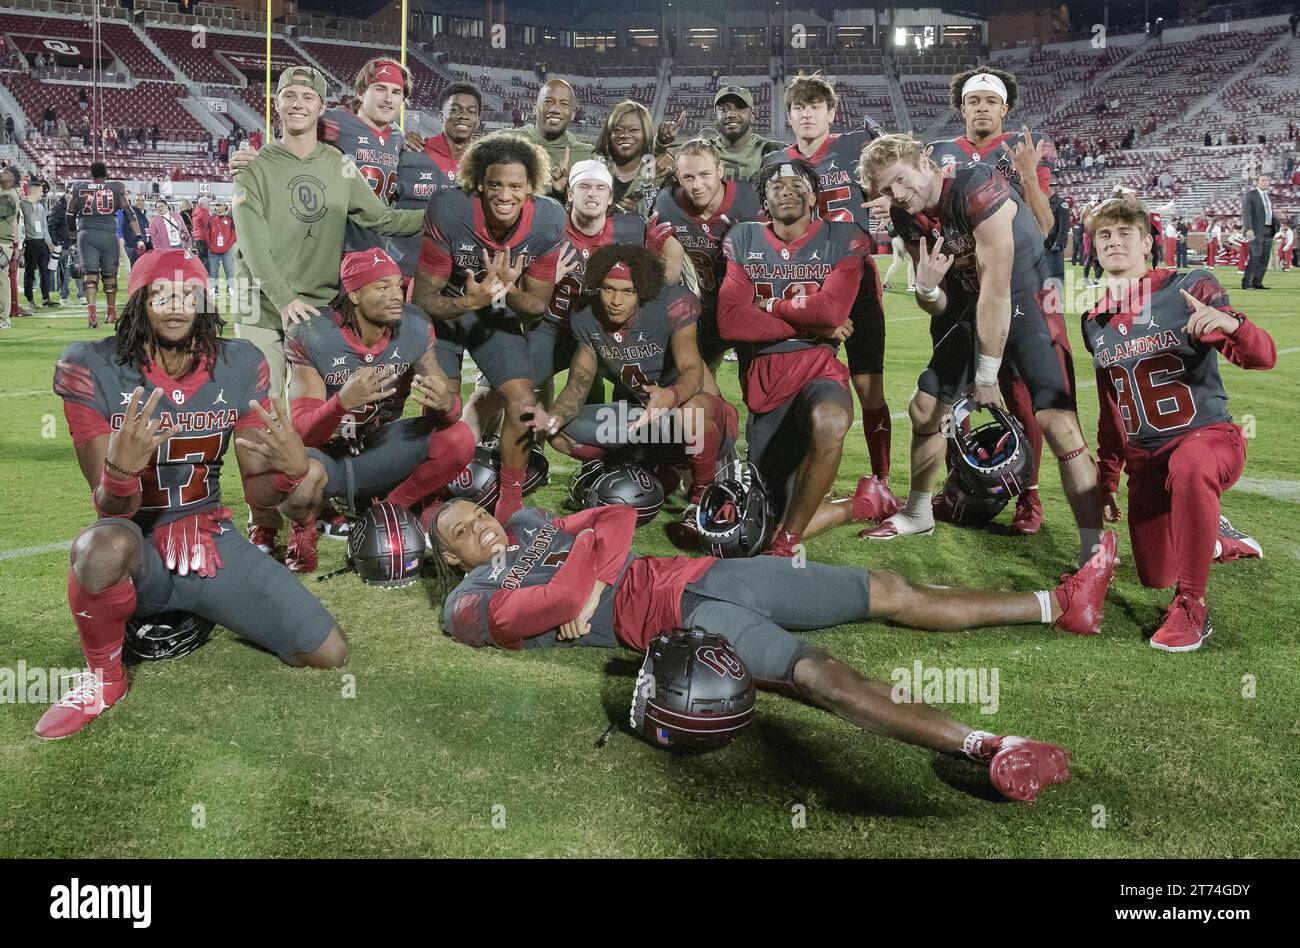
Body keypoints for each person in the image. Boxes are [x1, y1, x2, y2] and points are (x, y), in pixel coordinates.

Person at [428, 498, 1118, 801]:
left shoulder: (526, 524)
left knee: (887, 586)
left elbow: (616, 515)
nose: (482, 528)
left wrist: (588, 571)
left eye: (478, 513)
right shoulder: (467, 606)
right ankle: (988, 745)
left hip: (710, 574)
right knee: (819, 677)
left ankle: (1061, 606)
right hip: (684, 625)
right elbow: (551, 601)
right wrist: (585, 569)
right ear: (451, 560)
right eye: (461, 532)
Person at [42, 249, 350, 739]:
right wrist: (122, 471)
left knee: (327, 651)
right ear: (139, 301)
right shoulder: (92, 365)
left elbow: (259, 493)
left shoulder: (239, 364)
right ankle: (103, 677)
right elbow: (110, 507)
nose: (176, 306)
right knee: (99, 548)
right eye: (160, 294)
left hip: (209, 538)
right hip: (137, 542)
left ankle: (203, 603)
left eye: (190, 294)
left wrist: (292, 473)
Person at [859, 134, 1105, 571]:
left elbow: (997, 288)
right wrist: (928, 286)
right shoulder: (907, 214)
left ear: (923, 161)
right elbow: (937, 303)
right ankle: (918, 512)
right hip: (972, 309)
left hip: (1026, 300)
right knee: (924, 409)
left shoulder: (976, 186)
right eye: (883, 190)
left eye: (898, 180)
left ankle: (1094, 547)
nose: (894, 194)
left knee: (1058, 421)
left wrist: (987, 376)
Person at [230, 65, 424, 555]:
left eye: (306, 96)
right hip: (262, 309)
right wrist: (282, 297)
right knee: (256, 424)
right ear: (277, 104)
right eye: (288, 95)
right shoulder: (255, 167)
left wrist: (452, 212)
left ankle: (302, 514)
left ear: (321, 107)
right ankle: (264, 523)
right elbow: (251, 245)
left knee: (306, 419)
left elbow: (381, 217)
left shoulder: (339, 165)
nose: (297, 103)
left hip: (314, 309)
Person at [1082, 191, 1275, 652]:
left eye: (1125, 233)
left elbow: (1261, 357)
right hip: (1148, 461)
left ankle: (1192, 606)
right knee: (1154, 575)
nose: (1113, 242)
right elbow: (1113, 412)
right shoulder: (1095, 321)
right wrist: (1106, 478)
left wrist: (1233, 327)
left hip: (1208, 439)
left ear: (1148, 242)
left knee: (1191, 466)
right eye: (1104, 235)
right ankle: (1215, 536)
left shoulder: (1189, 287)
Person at [718, 160, 899, 555]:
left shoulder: (843, 236)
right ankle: (864, 504)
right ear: (763, 198)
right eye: (776, 185)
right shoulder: (743, 239)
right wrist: (808, 323)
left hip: (818, 371)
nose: (786, 189)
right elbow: (730, 321)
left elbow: (833, 313)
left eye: (797, 183)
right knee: (760, 525)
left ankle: (788, 542)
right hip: (765, 385)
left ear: (815, 195)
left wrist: (767, 307)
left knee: (831, 421)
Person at [281, 249, 473, 572]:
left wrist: (448, 404)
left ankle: (387, 510)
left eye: (398, 285)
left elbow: (450, 411)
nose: (395, 295)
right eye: (381, 287)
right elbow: (301, 432)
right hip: (324, 455)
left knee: (460, 439)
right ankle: (304, 526)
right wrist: (342, 402)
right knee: (292, 471)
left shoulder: (414, 327)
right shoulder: (313, 333)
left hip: (377, 444)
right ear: (354, 293)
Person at [411, 131, 565, 524]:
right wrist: (470, 300)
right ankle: (431, 492)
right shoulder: (450, 208)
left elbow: (537, 305)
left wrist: (507, 290)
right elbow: (423, 300)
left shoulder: (548, 219)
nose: (504, 195)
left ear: (531, 186)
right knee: (441, 406)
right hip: (446, 309)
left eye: (516, 186)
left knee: (523, 403)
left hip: (494, 309)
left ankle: (510, 500)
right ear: (479, 182)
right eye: (495, 184)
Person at [523, 244, 733, 528]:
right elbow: (577, 387)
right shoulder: (586, 314)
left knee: (690, 412)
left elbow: (692, 370)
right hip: (646, 420)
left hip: (700, 420)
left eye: (628, 291)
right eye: (608, 289)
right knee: (560, 433)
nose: (616, 300)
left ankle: (702, 497)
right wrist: (552, 418)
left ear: (643, 291)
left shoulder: (672, 304)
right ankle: (628, 470)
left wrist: (669, 395)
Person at [761, 74, 892, 490]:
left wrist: (893, 197)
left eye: (815, 106)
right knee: (799, 380)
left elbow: (908, 169)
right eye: (799, 108)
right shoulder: (774, 162)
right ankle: (795, 472)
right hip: (803, 281)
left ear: (831, 112)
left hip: (855, 276)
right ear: (789, 116)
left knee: (868, 383)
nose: (807, 114)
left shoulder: (855, 145)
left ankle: (881, 478)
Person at [653, 139, 761, 368]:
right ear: (678, 178)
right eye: (688, 177)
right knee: (697, 379)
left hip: (749, 306)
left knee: (756, 386)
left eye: (705, 174)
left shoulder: (750, 199)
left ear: (720, 171)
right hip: (707, 308)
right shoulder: (668, 204)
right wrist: (653, 257)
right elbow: (671, 273)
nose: (697, 185)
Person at [388, 82, 483, 282]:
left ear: (478, 119)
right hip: (406, 273)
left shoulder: (486, 165)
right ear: (441, 116)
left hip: (459, 279)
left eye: (470, 111)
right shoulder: (411, 153)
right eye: (454, 109)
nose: (463, 115)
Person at [67, 161, 145, 329]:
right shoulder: (115, 188)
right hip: (109, 235)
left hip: (87, 235)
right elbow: (129, 213)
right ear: (106, 174)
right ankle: (111, 313)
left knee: (90, 274)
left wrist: (73, 240)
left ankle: (92, 314)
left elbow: (69, 215)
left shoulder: (79, 188)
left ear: (91, 174)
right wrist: (139, 235)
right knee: (110, 275)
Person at [656, 85, 784, 184]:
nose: (731, 114)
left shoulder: (774, 150)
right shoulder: (699, 149)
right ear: (715, 118)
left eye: (739, 108)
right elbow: (648, 164)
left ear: (753, 116)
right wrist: (661, 144)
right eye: (724, 109)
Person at [515, 78, 596, 201]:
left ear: (573, 114)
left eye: (564, 104)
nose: (555, 109)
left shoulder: (587, 157)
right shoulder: (506, 141)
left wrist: (562, 194)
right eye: (548, 102)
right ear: (534, 108)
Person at [594, 99, 670, 218]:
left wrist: (638, 217)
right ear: (609, 134)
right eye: (617, 130)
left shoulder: (658, 173)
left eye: (634, 130)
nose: (624, 135)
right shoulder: (595, 167)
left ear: (646, 134)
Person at [20, 180, 57, 308]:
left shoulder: (40, 207)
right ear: (34, 191)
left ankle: (46, 298)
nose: (42, 193)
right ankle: (30, 300)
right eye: (41, 191)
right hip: (30, 242)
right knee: (30, 272)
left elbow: (44, 226)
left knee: (44, 271)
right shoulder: (22, 205)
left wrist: (49, 242)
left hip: (41, 243)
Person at [1241, 174, 1275, 290]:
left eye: (1267, 180)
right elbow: (1246, 213)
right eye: (1263, 180)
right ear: (1257, 182)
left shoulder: (1268, 197)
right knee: (1255, 256)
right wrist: (1248, 229)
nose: (1266, 182)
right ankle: (1247, 283)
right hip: (1255, 230)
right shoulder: (1250, 195)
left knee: (1264, 259)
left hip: (1268, 230)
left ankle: (1257, 282)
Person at [0, 167, 20, 328]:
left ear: (12, 179)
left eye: (5, 172)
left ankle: (3, 318)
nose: (2, 173)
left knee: (2, 281)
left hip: (2, 242)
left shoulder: (10, 196)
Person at [205, 198, 236, 297]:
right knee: (213, 271)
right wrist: (210, 246)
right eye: (216, 205)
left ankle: (230, 289)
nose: (217, 207)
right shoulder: (211, 220)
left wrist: (227, 246)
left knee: (229, 270)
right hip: (213, 250)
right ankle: (214, 290)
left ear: (224, 206)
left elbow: (234, 235)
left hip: (226, 250)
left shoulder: (230, 220)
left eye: (219, 205)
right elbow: (206, 234)